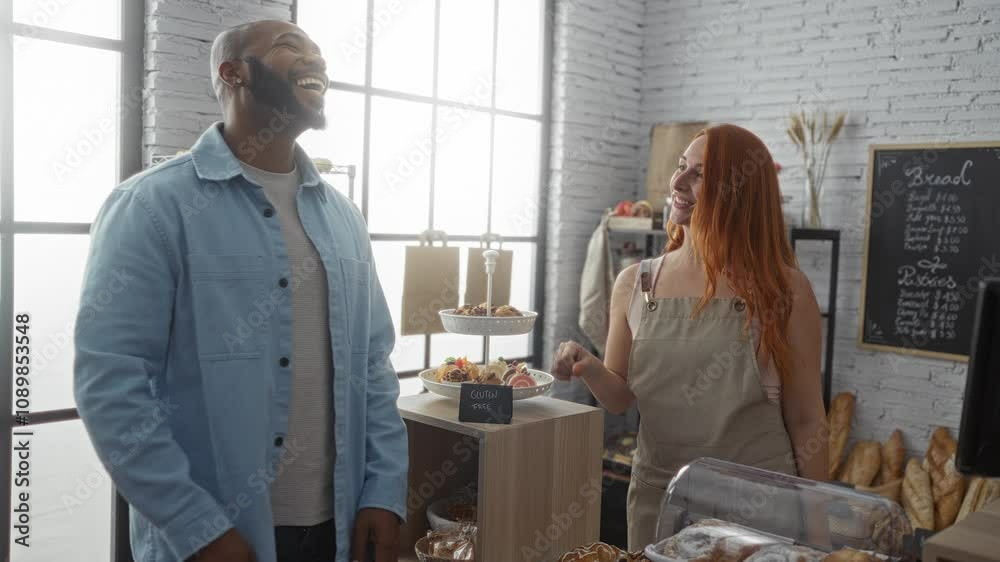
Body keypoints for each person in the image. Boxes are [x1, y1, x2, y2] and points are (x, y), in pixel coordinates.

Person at [73, 20, 407, 562]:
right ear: (233, 73)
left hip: (339, 527)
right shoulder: (153, 206)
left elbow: (373, 364)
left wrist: (384, 491)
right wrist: (195, 527)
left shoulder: (344, 218)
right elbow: (112, 383)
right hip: (213, 536)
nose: (315, 61)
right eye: (288, 48)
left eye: (319, 53)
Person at [553, 124, 828, 550]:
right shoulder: (636, 283)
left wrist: (820, 536)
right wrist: (587, 368)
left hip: (760, 511)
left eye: (698, 174)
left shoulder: (786, 290)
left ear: (739, 191)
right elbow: (621, 398)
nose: (677, 182)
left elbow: (808, 419)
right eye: (681, 167)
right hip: (661, 504)